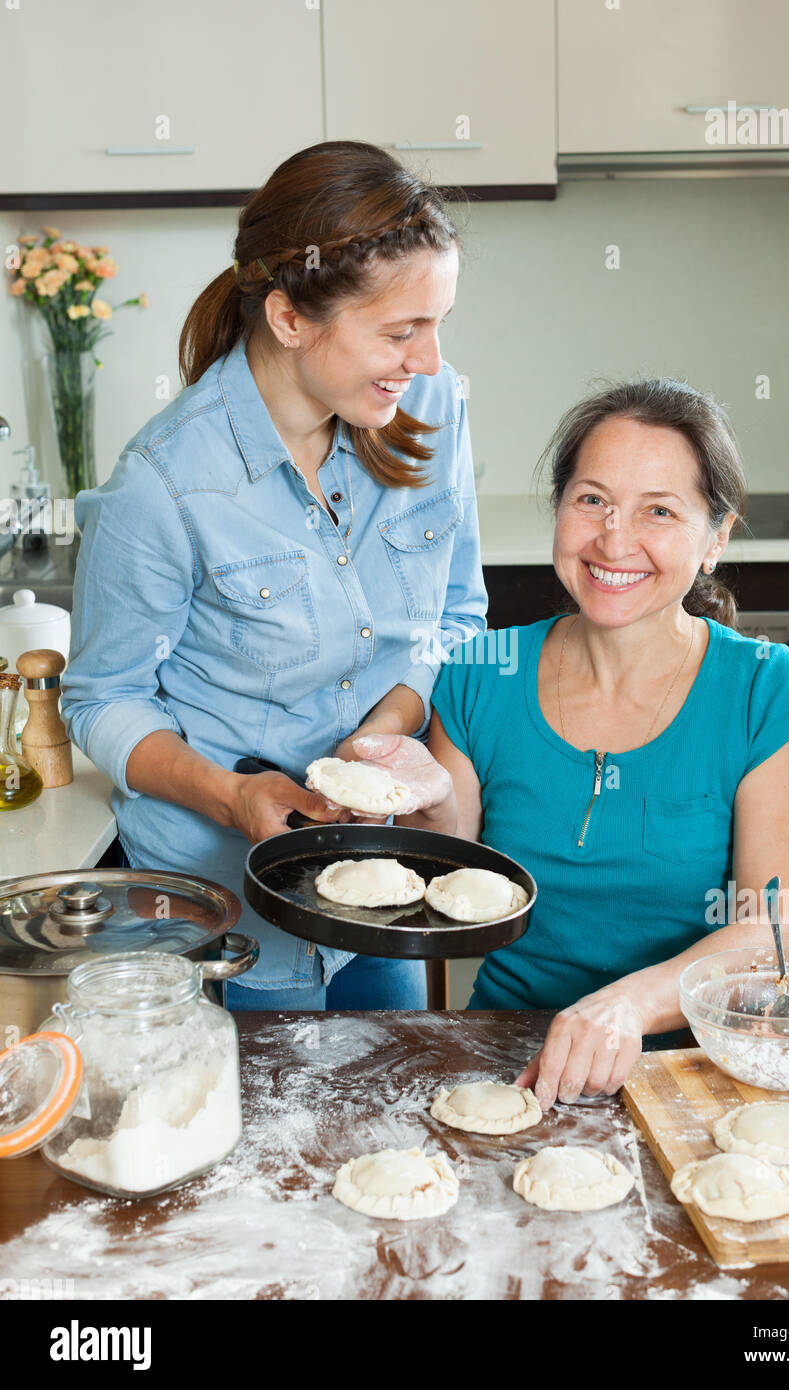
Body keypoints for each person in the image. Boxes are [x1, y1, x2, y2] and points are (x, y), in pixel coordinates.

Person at [60, 141, 487, 1011]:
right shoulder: (165, 484)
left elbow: (456, 611)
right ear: (290, 317)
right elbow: (101, 698)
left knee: (389, 1116)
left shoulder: (431, 411)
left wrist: (383, 740)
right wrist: (231, 796)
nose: (430, 361)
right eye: (400, 332)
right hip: (224, 913)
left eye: (437, 324)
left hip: (378, 870)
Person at [396, 377, 789, 1106]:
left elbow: (771, 931)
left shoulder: (765, 691)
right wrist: (415, 795)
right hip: (508, 1055)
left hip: (695, 1070)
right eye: (590, 499)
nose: (612, 538)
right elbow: (447, 883)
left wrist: (624, 1007)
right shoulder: (479, 676)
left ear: (715, 537)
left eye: (657, 511)